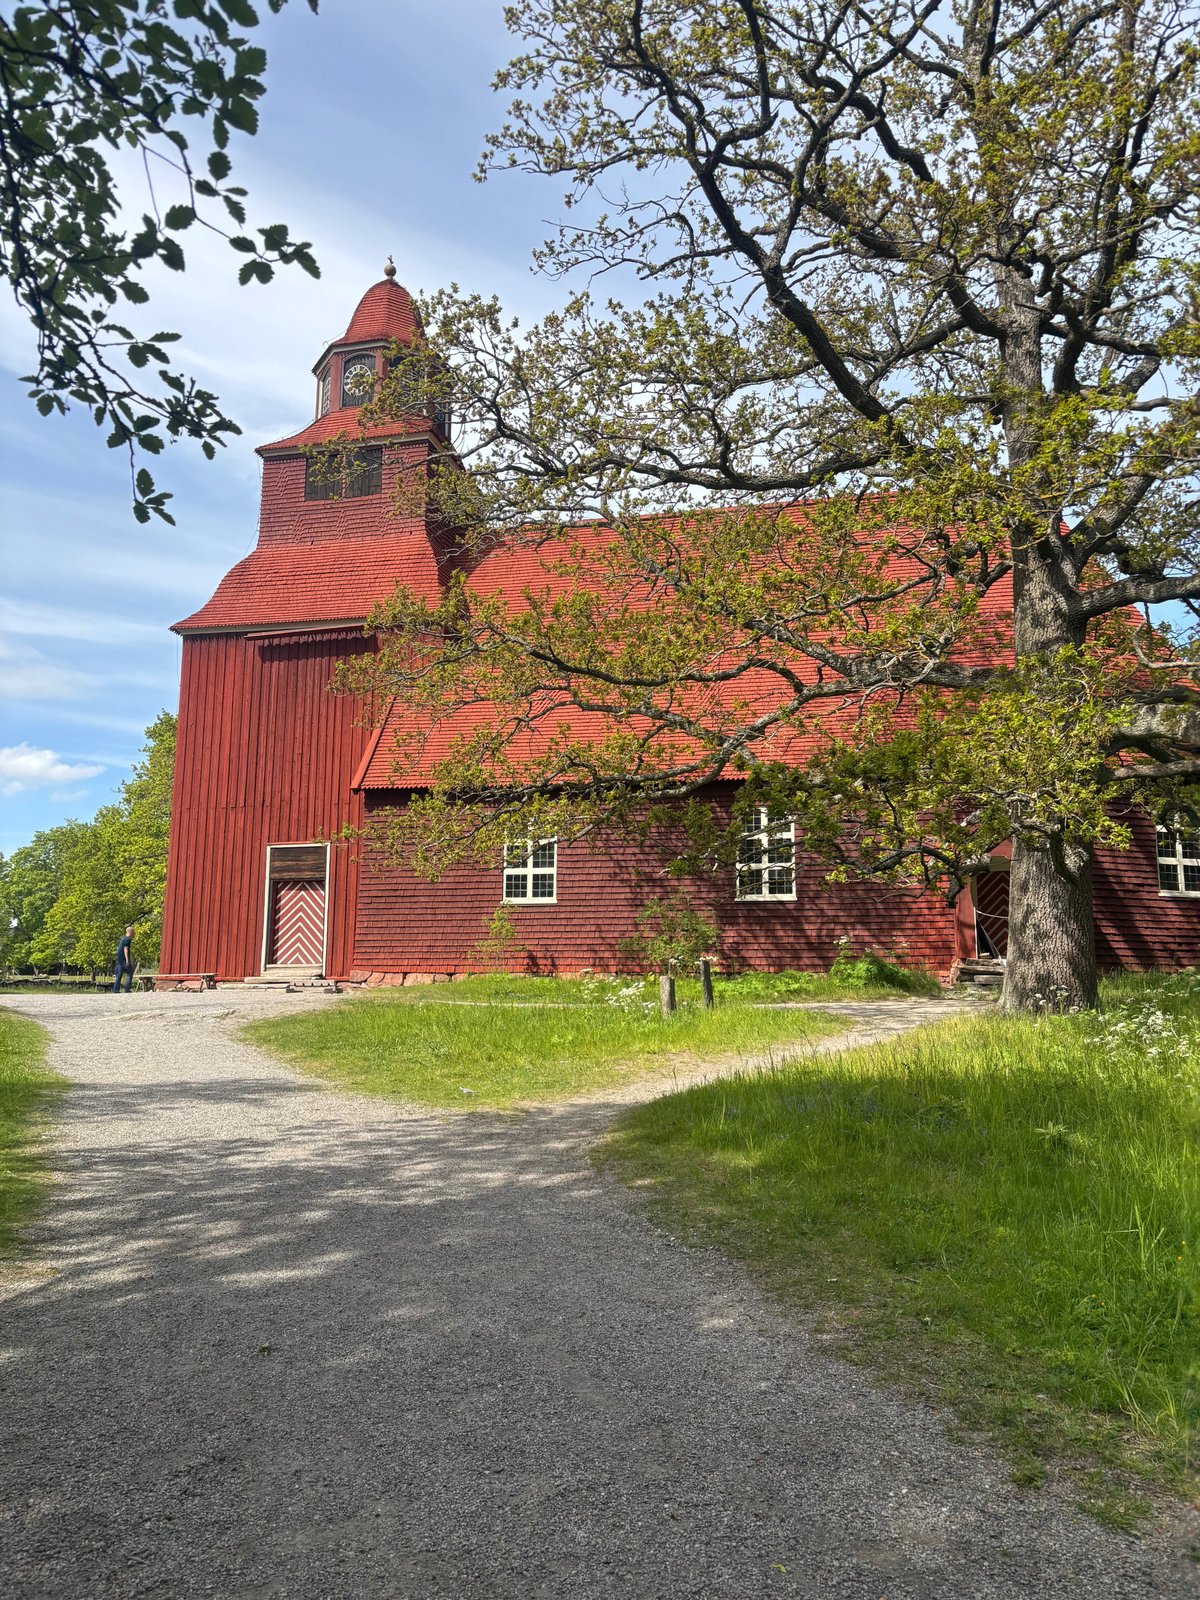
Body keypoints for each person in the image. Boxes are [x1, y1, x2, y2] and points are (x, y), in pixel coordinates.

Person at [113, 925, 135, 994]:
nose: (134, 933)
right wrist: (127, 960)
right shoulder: (128, 939)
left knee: (119, 975)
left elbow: (118, 949)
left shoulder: (122, 939)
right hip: (124, 960)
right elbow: (126, 949)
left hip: (119, 960)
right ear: (130, 932)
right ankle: (127, 989)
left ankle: (116, 989)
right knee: (129, 974)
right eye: (134, 931)